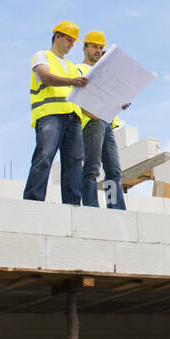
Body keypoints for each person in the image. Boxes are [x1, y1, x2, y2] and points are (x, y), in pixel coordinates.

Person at [23, 20, 88, 204]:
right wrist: (72, 81)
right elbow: (45, 77)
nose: (71, 44)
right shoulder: (42, 56)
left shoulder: (71, 67)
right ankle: (33, 201)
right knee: (44, 157)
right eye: (69, 39)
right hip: (50, 115)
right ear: (57, 36)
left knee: (74, 163)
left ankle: (73, 205)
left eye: (74, 42)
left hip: (73, 118)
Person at [75, 29, 131, 209]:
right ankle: (91, 206)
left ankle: (115, 208)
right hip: (92, 121)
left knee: (114, 170)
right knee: (92, 168)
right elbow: (79, 99)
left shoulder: (104, 72)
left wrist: (121, 103)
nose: (98, 51)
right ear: (85, 48)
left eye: (101, 48)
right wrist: (93, 115)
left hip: (107, 123)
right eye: (94, 47)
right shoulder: (79, 69)